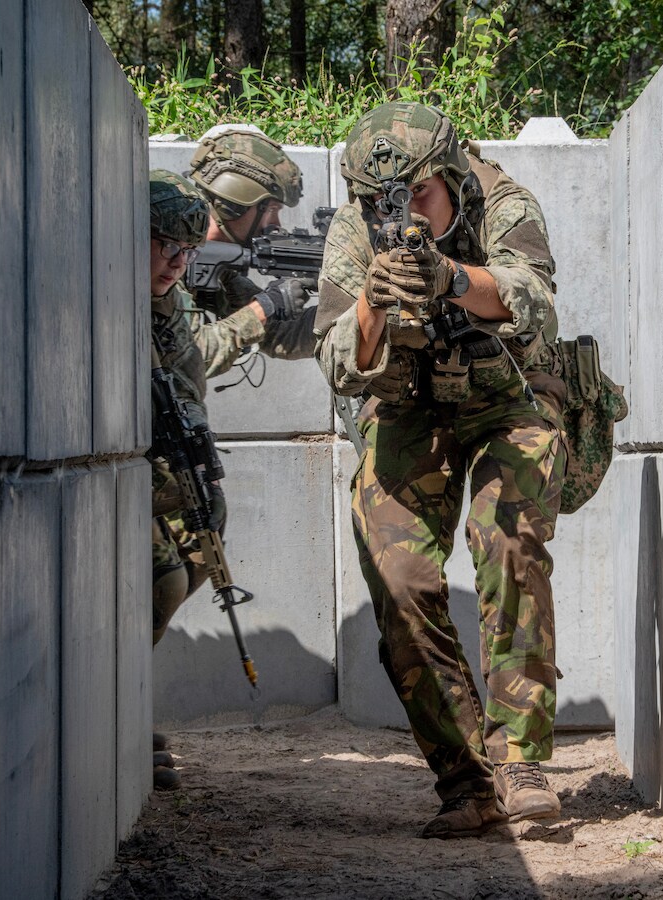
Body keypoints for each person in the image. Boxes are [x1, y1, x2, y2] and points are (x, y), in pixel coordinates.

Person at [313, 102, 568, 838]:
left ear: (450, 175)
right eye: (373, 199)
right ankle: (464, 777)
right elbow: (337, 361)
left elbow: (536, 305)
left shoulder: (502, 201)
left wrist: (451, 276)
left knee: (508, 539)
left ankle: (519, 755)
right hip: (408, 408)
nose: (392, 210)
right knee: (397, 576)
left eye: (414, 194)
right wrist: (373, 297)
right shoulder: (354, 229)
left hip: (505, 401)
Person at [147, 169, 225, 791]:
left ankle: (122, 708)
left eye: (187, 252)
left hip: (159, 460)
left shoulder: (164, 300)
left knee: (203, 552)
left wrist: (202, 474)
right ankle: (121, 716)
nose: (176, 263)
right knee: (163, 579)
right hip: (122, 466)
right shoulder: (106, 286)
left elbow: (186, 377)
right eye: (165, 246)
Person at [184, 127, 317, 376]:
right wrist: (265, 306)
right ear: (234, 205)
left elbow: (279, 335)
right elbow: (189, 357)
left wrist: (347, 306)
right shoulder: (173, 255)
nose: (276, 224)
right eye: (272, 209)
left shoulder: (218, 266)